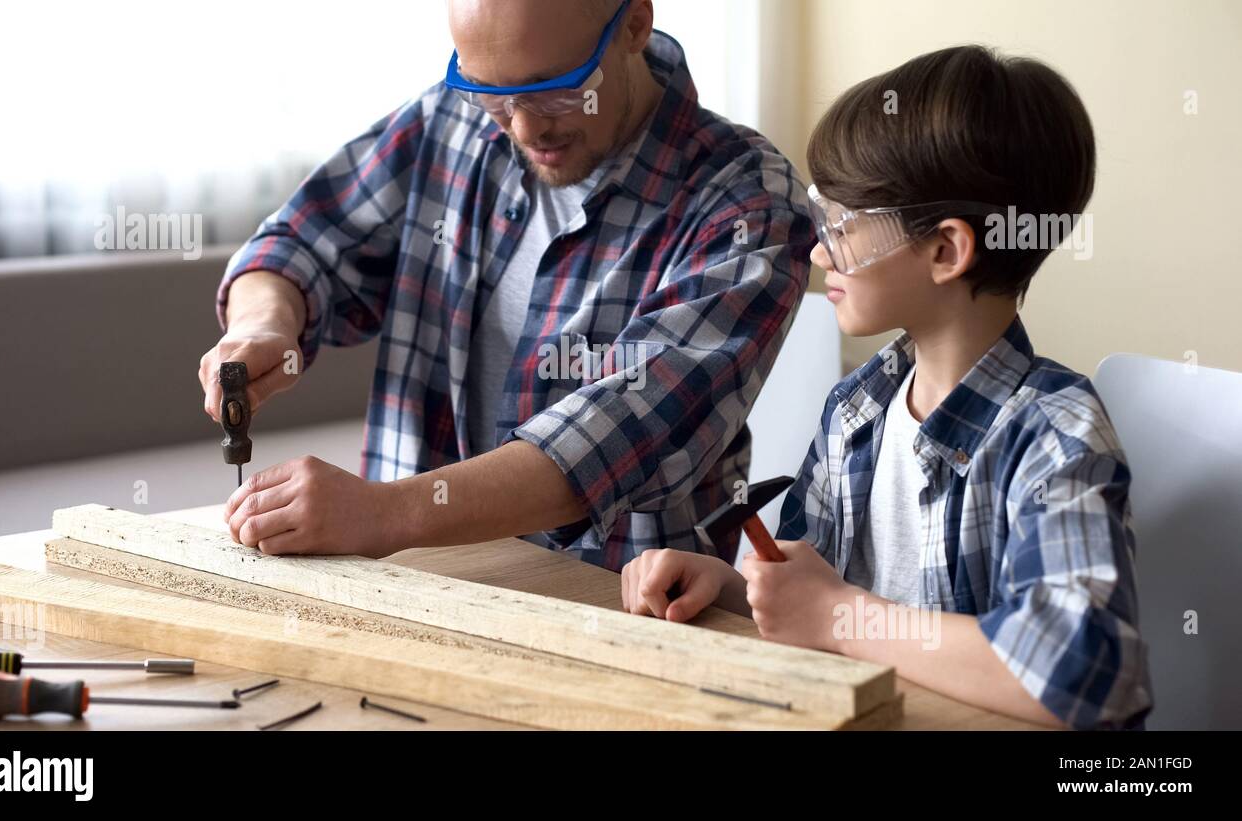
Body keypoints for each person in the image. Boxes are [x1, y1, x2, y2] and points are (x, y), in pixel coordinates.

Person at [620, 45, 1153, 729]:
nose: (818, 252)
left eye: (841, 227)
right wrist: (727, 584)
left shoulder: (1057, 435)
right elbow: (812, 582)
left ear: (945, 251)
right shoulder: (857, 408)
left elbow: (1076, 672)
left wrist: (839, 615)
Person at [199, 0, 814, 571]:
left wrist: (381, 513)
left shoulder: (748, 204)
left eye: (554, 92)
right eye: (490, 95)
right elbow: (301, 242)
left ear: (634, 22)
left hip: (613, 632)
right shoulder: (449, 123)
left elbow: (620, 434)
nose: (522, 129)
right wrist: (265, 322)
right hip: (406, 596)